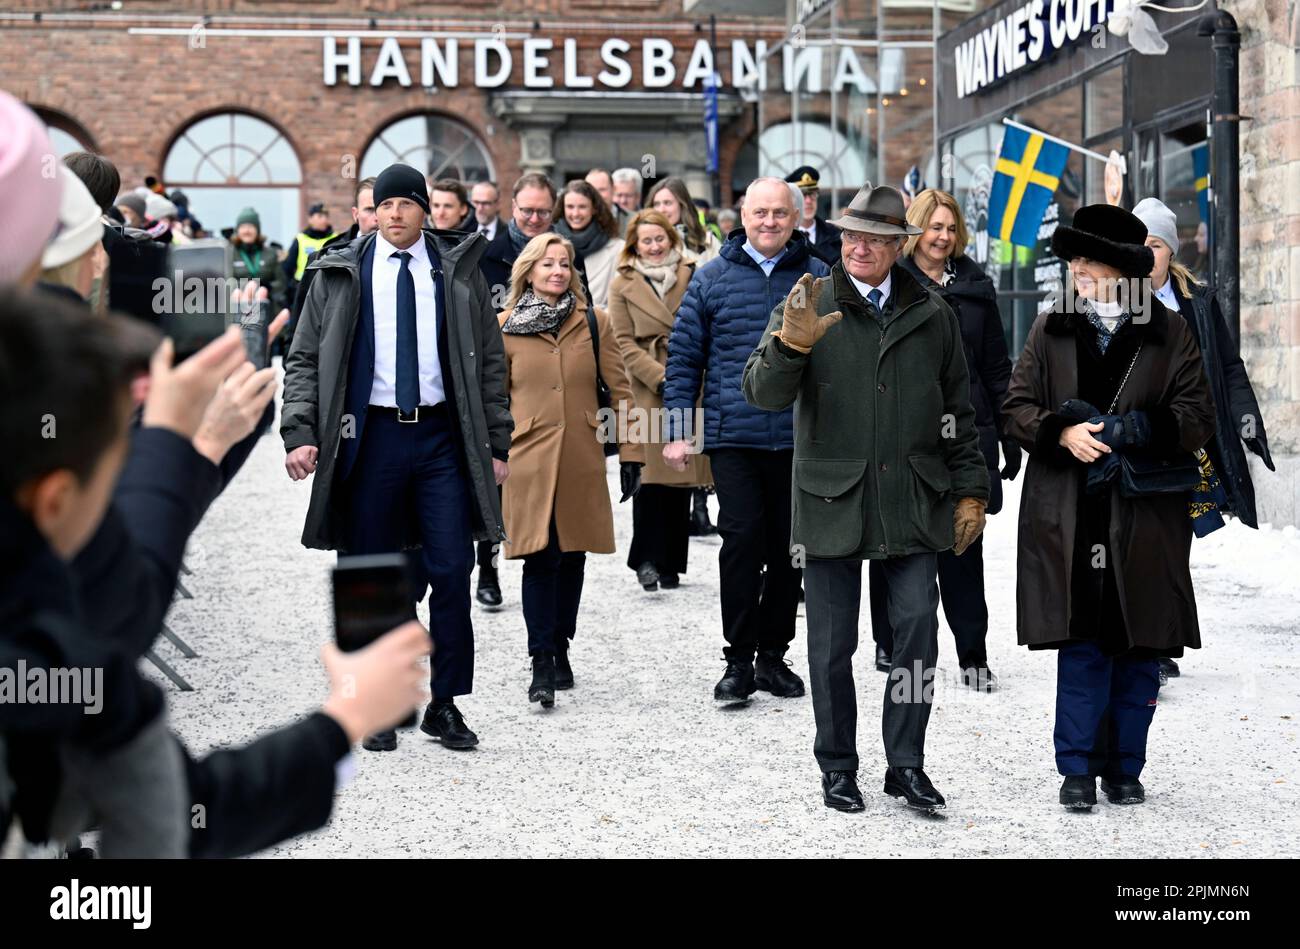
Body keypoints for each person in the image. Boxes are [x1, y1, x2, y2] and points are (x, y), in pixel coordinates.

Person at [743, 184, 990, 815]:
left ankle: (906, 763)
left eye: (875, 239)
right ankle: (837, 766)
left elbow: (959, 413)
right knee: (831, 646)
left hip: (914, 499)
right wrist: (791, 346)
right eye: (852, 236)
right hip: (831, 500)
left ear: (898, 246)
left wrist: (971, 491)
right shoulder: (809, 300)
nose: (859, 247)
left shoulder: (933, 312)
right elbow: (761, 393)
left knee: (917, 634)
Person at [281, 162, 513, 753]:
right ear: (372, 212)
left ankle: (444, 704)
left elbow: (491, 363)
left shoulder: (456, 270)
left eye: (405, 203)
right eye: (384, 204)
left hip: (442, 438)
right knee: (370, 574)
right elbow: (303, 358)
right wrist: (299, 431)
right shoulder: (340, 271)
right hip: (368, 437)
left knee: (452, 570)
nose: (394, 213)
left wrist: (497, 442)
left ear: (424, 209)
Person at [1002, 203, 1215, 809]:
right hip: (1068, 509)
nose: (1078, 271)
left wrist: (1132, 430)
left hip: (1143, 510)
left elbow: (1197, 416)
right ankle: (1076, 769)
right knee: (1082, 642)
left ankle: (1125, 766)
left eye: (1090, 261)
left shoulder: (1169, 331)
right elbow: (1016, 407)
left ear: (1123, 268)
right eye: (1074, 260)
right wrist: (1061, 433)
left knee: (1140, 643)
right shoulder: (1051, 326)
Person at [662, 177, 828, 705]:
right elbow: (684, 358)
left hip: (800, 440)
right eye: (760, 212)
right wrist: (676, 430)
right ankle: (737, 660)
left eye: (779, 213)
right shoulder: (711, 278)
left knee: (789, 550)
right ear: (743, 215)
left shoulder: (820, 275)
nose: (769, 221)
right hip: (734, 437)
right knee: (741, 544)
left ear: (796, 217)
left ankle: (772, 657)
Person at [869, 188, 1020, 691]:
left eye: (951, 228)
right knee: (893, 541)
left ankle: (973, 654)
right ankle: (890, 642)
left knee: (964, 545)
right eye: (935, 226)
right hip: (903, 432)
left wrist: (1009, 429)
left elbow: (996, 366)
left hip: (965, 430)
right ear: (916, 229)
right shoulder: (889, 283)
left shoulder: (976, 287)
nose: (943, 236)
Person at [497, 233, 643, 706]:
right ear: (528, 272)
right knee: (540, 556)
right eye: (547, 264)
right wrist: (489, 456)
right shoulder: (502, 326)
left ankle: (560, 645)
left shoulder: (594, 321)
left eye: (564, 263)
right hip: (527, 459)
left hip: (581, 456)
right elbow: (492, 398)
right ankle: (541, 660)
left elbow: (620, 390)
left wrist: (632, 453)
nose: (557, 271)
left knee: (573, 555)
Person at [1135, 196, 1275, 683]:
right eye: (1138, 244)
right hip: (1138, 443)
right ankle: (1146, 647)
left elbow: (1228, 366)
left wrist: (1245, 417)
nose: (1146, 253)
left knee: (1173, 546)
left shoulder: (1198, 302)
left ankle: (1158, 642)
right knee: (1141, 543)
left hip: (1188, 445)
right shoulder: (1116, 303)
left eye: (1155, 244)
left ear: (1171, 251)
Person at [475, 173, 591, 610]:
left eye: (544, 211)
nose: (535, 218)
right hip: (502, 377)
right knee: (496, 496)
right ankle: (487, 567)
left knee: (553, 535)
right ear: (513, 208)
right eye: (527, 211)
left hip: (551, 404)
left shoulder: (565, 256)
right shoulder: (487, 255)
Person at [607, 209, 710, 591]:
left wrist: (683, 373)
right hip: (645, 387)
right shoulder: (622, 282)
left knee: (679, 472)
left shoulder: (693, 273)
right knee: (649, 476)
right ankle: (646, 559)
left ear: (671, 238)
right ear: (635, 245)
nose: (653, 246)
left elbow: (705, 325)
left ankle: (671, 563)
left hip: (689, 373)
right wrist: (658, 375)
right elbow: (621, 341)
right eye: (645, 241)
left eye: (659, 239)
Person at [290, 177, 378, 325]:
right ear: (355, 214)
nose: (376, 217)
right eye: (369, 209)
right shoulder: (325, 255)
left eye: (382, 208)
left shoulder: (405, 255)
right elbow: (302, 322)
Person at [554, 179, 621, 309]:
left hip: (600, 319)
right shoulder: (548, 245)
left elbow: (619, 301)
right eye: (570, 207)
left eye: (582, 207)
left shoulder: (618, 248)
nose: (575, 213)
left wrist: (597, 318)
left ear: (594, 209)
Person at [223, 207, 289, 316]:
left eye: (250, 227)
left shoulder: (270, 253)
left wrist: (267, 287)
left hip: (266, 305)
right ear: (238, 230)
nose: (247, 231)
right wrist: (247, 287)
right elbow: (225, 281)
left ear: (257, 230)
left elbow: (281, 282)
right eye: (243, 227)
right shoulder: (229, 254)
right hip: (237, 305)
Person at [647, 177, 721, 266]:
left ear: (682, 205)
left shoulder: (706, 240)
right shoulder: (643, 241)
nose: (661, 210)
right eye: (656, 204)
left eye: (667, 203)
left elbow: (722, 270)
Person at [282, 202, 338, 317]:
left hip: (327, 288)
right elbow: (288, 267)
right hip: (302, 287)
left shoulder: (336, 238)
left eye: (326, 216)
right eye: (320, 216)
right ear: (310, 219)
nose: (324, 219)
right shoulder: (300, 239)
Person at [784, 165, 843, 268]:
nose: (808, 201)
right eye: (803, 195)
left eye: (812, 194)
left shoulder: (835, 234)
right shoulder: (784, 236)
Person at [585, 167, 631, 238]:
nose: (596, 195)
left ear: (614, 189)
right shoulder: (577, 221)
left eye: (602, 189)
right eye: (591, 190)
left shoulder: (633, 220)